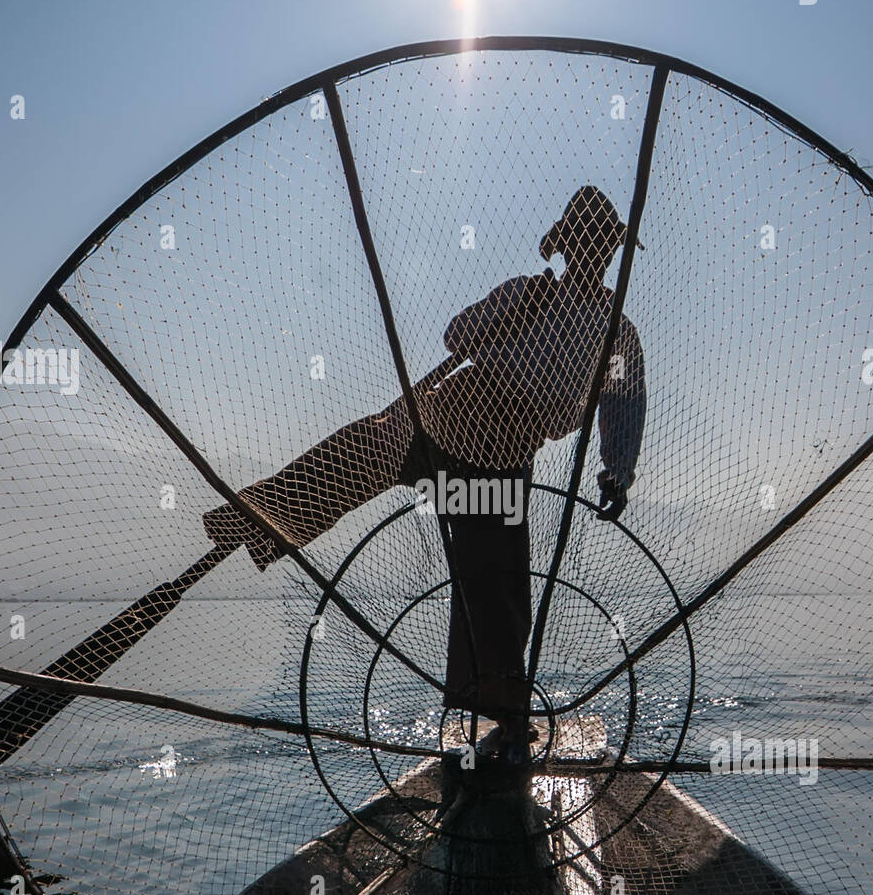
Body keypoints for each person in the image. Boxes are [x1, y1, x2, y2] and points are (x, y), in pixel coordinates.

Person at [203, 186, 646, 776]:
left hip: (505, 447)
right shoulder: (527, 291)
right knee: (361, 450)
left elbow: (624, 404)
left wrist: (616, 472)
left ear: (610, 252)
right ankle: (259, 518)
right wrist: (516, 307)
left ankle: (504, 712)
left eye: (600, 244)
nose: (592, 253)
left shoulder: (617, 331)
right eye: (583, 241)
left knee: (494, 581)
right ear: (566, 247)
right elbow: (457, 335)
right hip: (451, 414)